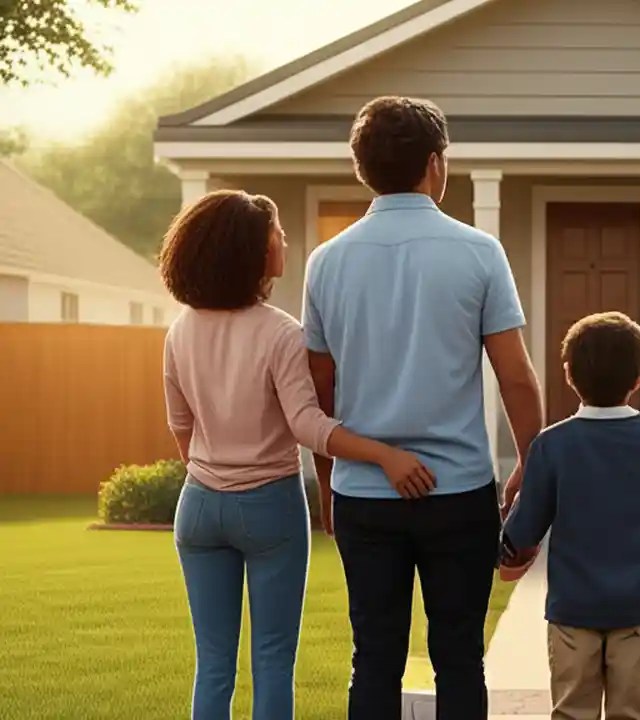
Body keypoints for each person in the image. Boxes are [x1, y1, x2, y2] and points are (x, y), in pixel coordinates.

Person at [303, 95, 544, 719]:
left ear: (362, 170)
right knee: (460, 657)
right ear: (436, 165)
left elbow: (318, 391)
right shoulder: (478, 252)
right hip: (459, 495)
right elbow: (516, 376)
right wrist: (529, 464)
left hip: (364, 496)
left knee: (374, 659)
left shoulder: (325, 263)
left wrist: (330, 486)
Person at [159, 189, 435, 720]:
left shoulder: (180, 331)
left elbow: (180, 427)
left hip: (197, 507)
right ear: (255, 252)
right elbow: (307, 426)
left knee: (213, 664)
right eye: (277, 233)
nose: (283, 239)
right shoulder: (282, 333)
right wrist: (383, 455)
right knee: (273, 658)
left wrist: (210, 472)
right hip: (269, 507)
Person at [501, 311, 640, 720]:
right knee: (634, 712)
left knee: (572, 712)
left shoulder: (551, 445)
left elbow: (526, 527)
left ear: (568, 374)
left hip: (573, 608)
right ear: (637, 380)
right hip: (639, 605)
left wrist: (505, 529)